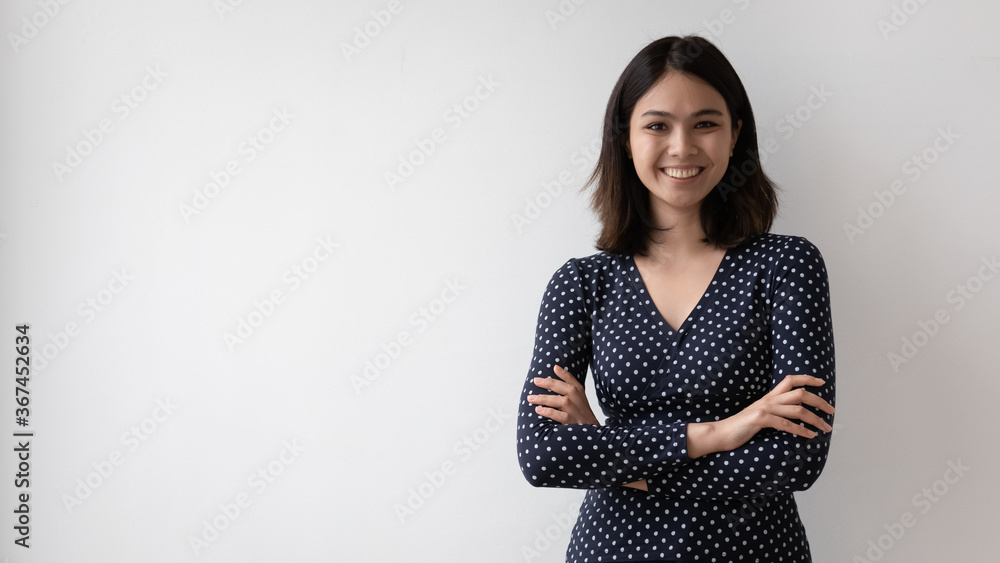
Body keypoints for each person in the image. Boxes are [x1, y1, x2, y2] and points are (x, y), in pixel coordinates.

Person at [515, 35, 836, 562]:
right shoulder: (580, 284)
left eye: (705, 123)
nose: (682, 146)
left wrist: (610, 454)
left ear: (735, 136)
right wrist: (721, 432)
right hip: (614, 550)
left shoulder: (787, 266)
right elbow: (543, 456)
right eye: (657, 125)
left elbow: (795, 460)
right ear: (625, 140)